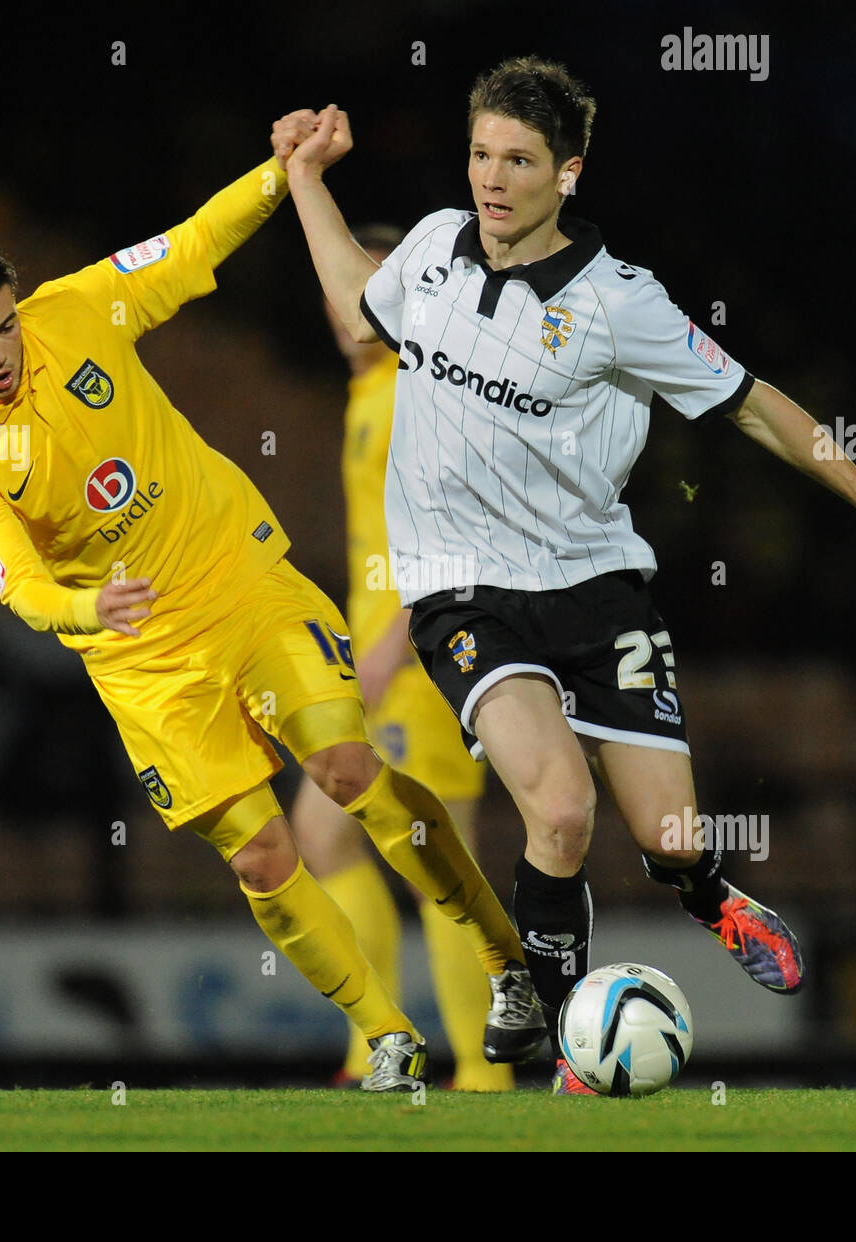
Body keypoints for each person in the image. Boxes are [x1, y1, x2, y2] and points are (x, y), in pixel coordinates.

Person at [278, 57, 856, 1092]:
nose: (492, 178)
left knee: (671, 833)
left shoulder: (618, 304)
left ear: (567, 172)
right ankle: (556, 1024)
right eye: (480, 154)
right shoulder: (429, 249)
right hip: (463, 593)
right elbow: (350, 292)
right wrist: (303, 177)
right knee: (558, 810)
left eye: (517, 159)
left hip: (596, 585)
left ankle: (705, 891)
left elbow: (749, 400)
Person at [0, 113, 547, 1093]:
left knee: (343, 767)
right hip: (139, 654)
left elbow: (195, 241)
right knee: (263, 859)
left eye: (5, 325)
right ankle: (382, 1036)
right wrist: (86, 612)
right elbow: (18, 582)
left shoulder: (77, 309)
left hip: (237, 582)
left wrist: (280, 171)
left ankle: (503, 958)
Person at [289, 224, 512, 1092]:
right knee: (323, 838)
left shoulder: (416, 394)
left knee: (436, 869)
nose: (354, 303)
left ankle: (485, 1080)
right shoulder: (371, 392)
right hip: (378, 664)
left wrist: (388, 647)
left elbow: (458, 536)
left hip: (423, 660)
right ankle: (375, 1055)